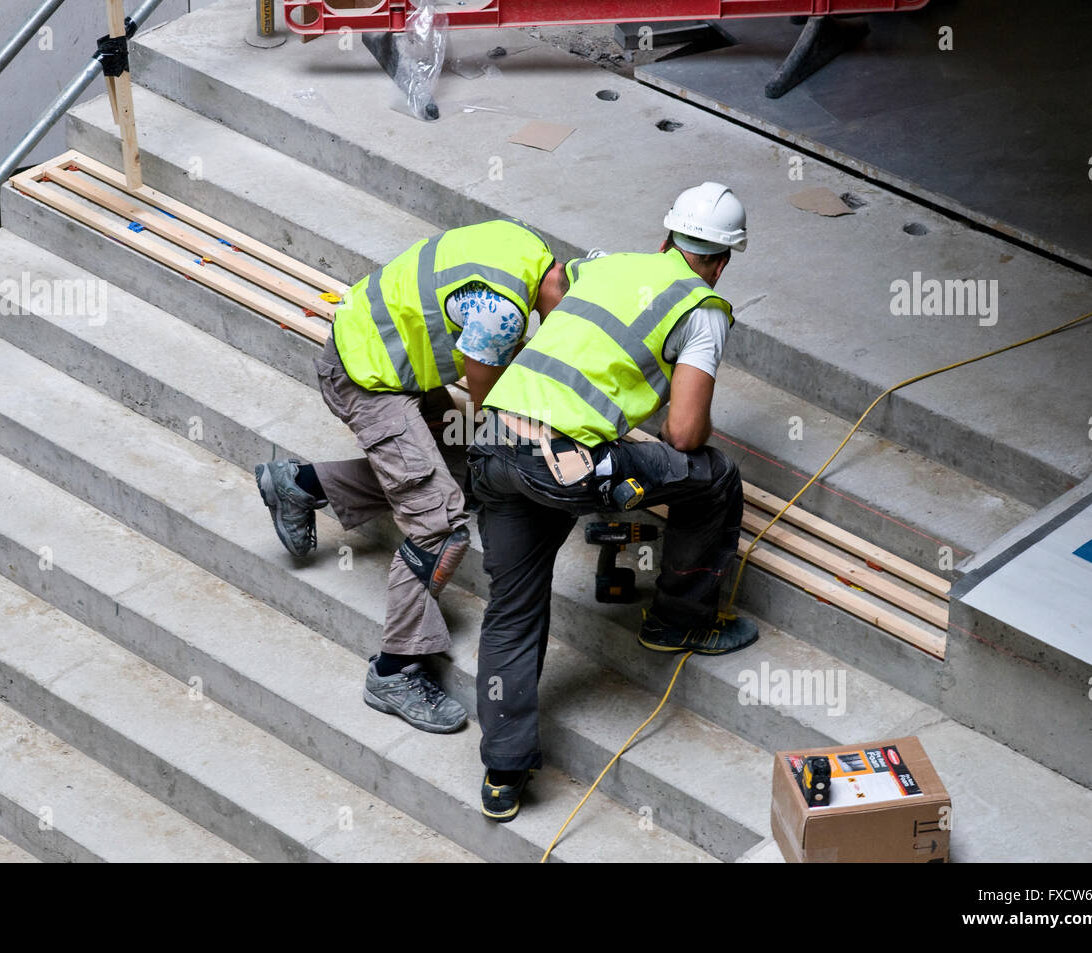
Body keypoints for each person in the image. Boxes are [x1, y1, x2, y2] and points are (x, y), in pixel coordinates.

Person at [466, 183, 758, 821]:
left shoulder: (606, 263)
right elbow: (683, 434)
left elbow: (555, 292)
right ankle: (677, 620)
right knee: (713, 476)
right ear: (723, 261)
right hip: (566, 466)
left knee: (512, 612)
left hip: (491, 445)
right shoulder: (702, 308)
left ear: (665, 238)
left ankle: (502, 774)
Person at [254, 218, 569, 734]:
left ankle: (301, 485)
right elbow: (492, 415)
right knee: (439, 527)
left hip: (381, 347)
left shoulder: (528, 247)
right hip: (367, 378)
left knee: (456, 468)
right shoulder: (502, 314)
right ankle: (394, 670)